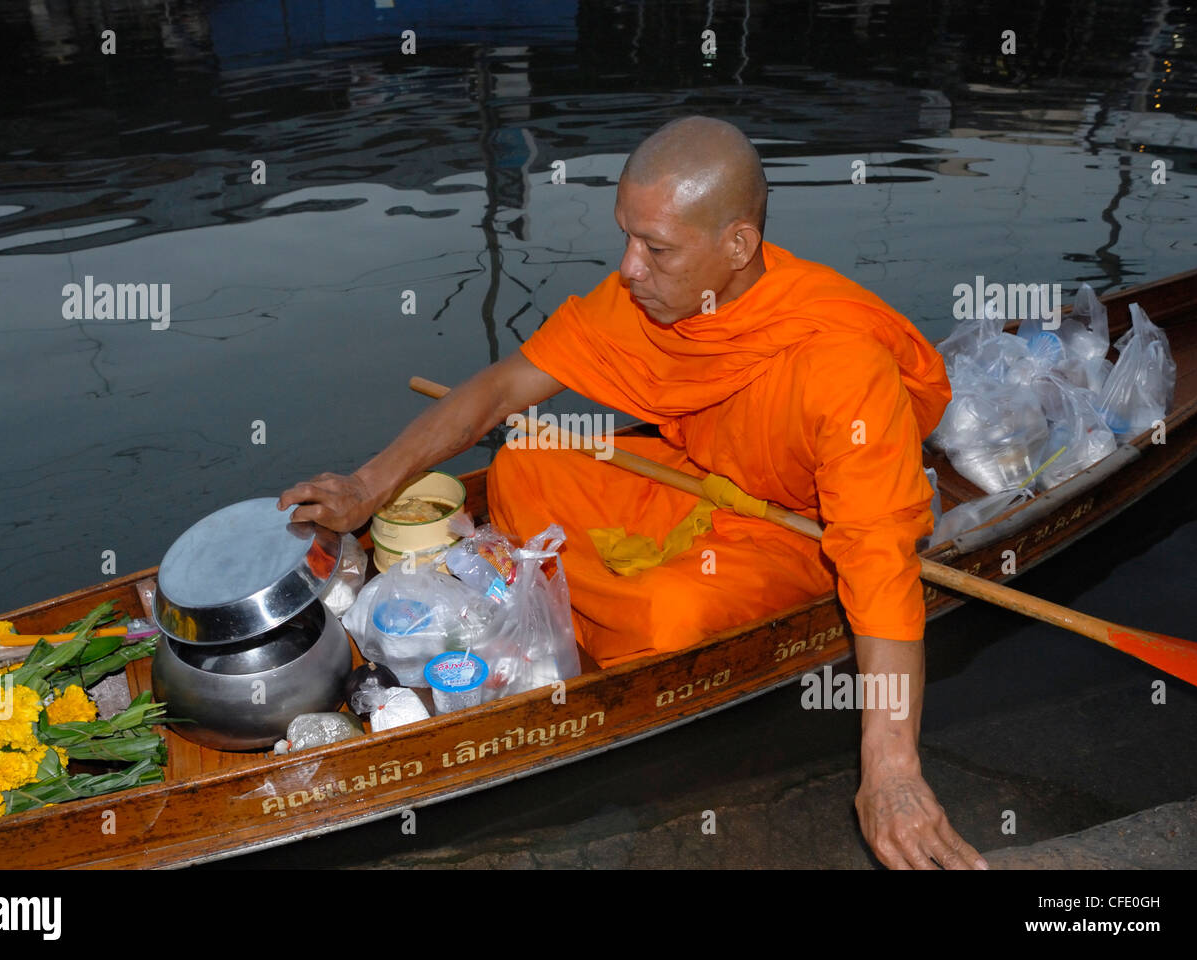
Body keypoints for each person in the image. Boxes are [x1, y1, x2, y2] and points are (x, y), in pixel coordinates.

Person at [278, 116, 987, 870]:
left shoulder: (841, 364)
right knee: (525, 463)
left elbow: (877, 562)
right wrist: (365, 485)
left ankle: (581, 626)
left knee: (670, 612)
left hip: (795, 533)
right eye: (627, 237)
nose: (630, 267)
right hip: (688, 487)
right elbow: (503, 388)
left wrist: (891, 769)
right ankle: (551, 612)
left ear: (739, 245)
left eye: (656, 248)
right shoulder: (656, 298)